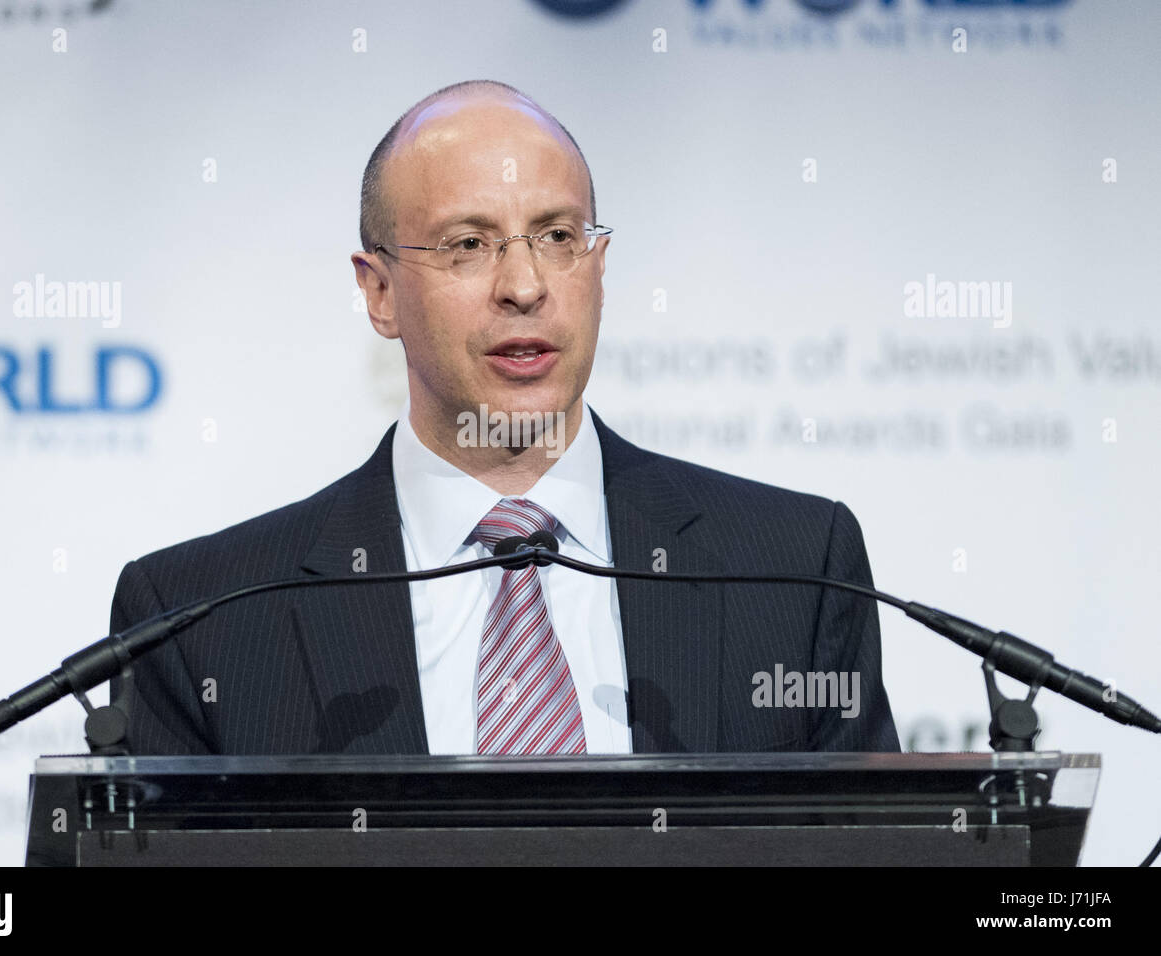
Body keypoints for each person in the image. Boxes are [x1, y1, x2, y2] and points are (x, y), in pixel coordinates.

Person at [108, 80, 899, 756]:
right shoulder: (198, 622)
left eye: (558, 237)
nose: (524, 284)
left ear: (598, 266)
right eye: (468, 245)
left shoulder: (795, 573)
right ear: (379, 292)